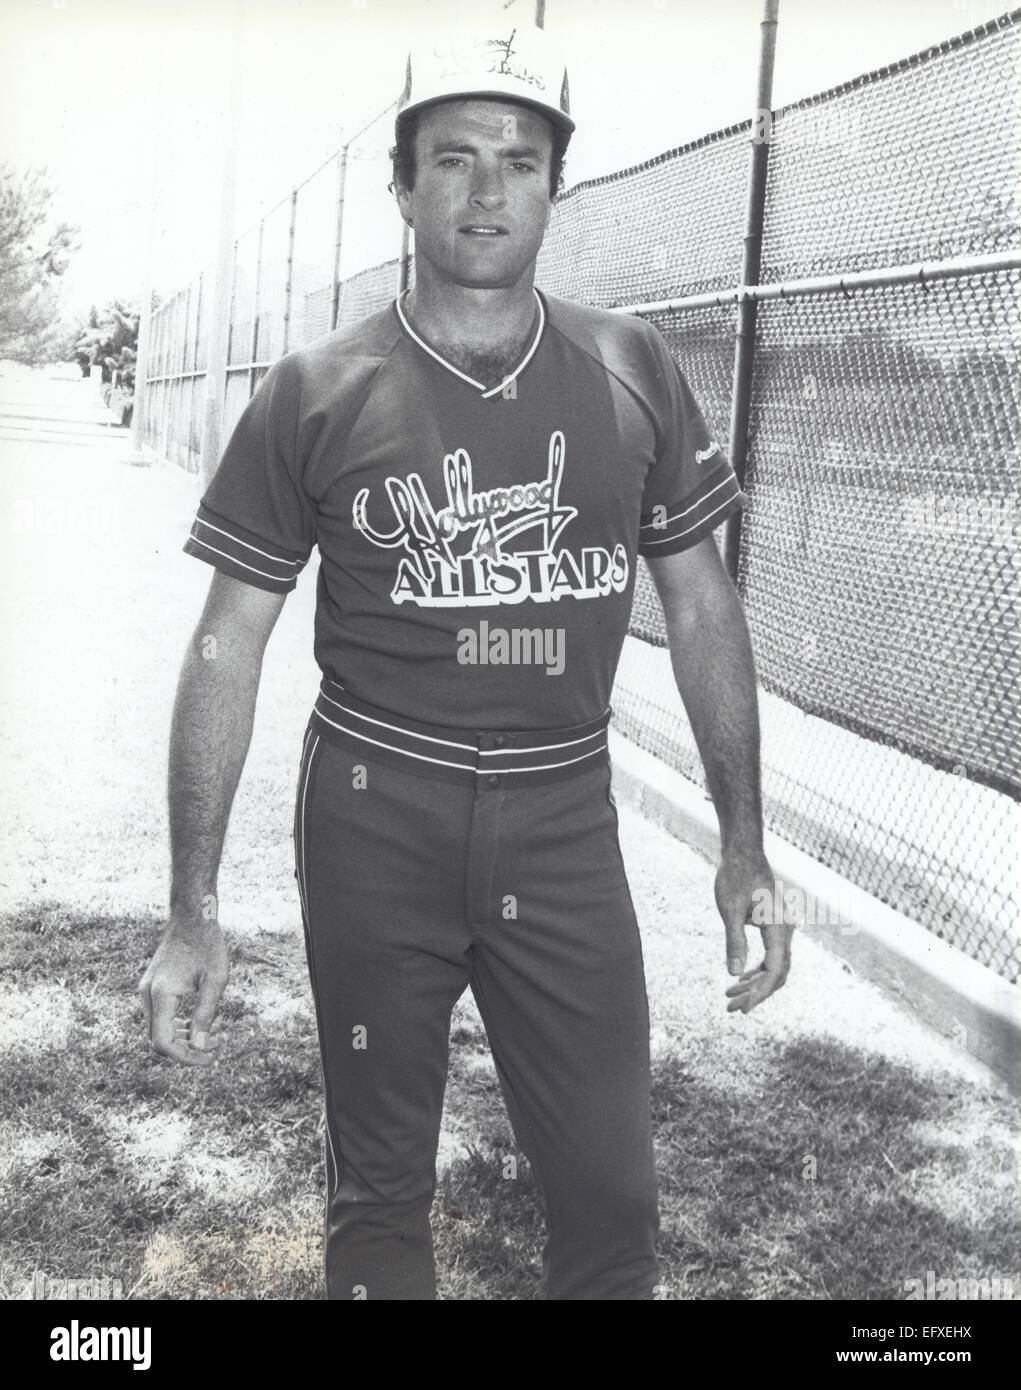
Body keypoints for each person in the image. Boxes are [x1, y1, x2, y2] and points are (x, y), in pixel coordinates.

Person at [139, 24, 794, 1301]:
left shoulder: (630, 366)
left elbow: (703, 608)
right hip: (377, 807)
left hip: (561, 814)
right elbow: (228, 640)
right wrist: (192, 906)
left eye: (520, 159)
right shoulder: (318, 387)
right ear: (402, 185)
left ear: (559, 185)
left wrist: (744, 843)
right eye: (453, 158)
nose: (488, 189)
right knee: (379, 1203)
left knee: (611, 1204)